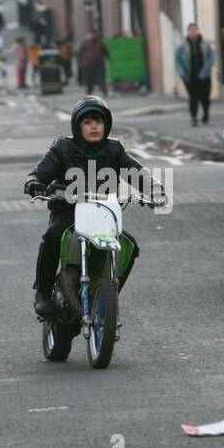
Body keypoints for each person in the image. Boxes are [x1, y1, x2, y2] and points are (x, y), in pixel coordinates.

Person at [23, 96, 164, 316]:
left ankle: (108, 292)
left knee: (130, 245)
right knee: (52, 236)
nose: (94, 126)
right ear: (78, 125)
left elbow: (137, 172)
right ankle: (43, 293)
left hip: (104, 215)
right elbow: (38, 173)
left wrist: (155, 190)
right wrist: (35, 183)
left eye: (98, 121)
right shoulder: (62, 147)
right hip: (69, 212)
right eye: (87, 122)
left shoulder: (114, 149)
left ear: (106, 124)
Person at [174, 22, 215, 126]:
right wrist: (181, 73)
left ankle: (206, 113)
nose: (193, 32)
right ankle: (194, 118)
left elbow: (211, 58)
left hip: (204, 77)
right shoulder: (182, 46)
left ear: (198, 31)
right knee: (193, 97)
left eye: (195, 30)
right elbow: (177, 61)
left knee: (205, 97)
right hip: (189, 77)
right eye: (191, 30)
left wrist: (204, 72)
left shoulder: (205, 44)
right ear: (188, 32)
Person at [76, 30, 109, 96]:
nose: (94, 36)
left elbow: (104, 50)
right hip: (87, 64)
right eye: (92, 34)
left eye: (95, 34)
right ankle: (89, 91)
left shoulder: (99, 42)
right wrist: (79, 61)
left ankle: (103, 89)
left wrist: (108, 57)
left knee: (100, 77)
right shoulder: (85, 42)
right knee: (88, 78)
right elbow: (80, 52)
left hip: (98, 63)